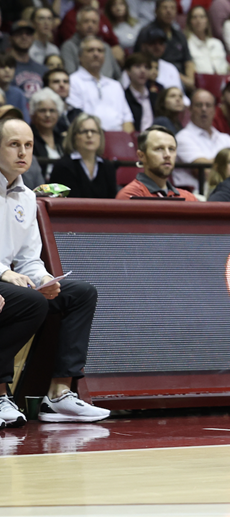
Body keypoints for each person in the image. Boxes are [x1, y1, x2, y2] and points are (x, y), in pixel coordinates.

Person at [0, 116, 107, 426]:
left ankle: (59, 395)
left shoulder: (28, 197)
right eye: (14, 145)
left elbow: (29, 259)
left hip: (13, 282)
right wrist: (5, 274)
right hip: (5, 282)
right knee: (29, 301)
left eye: (28, 146)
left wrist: (45, 280)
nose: (22, 152)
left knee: (80, 293)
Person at [67, 36, 133, 133]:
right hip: (89, 137)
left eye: (100, 51)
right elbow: (76, 119)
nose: (96, 54)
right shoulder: (72, 81)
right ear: (79, 56)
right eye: (90, 50)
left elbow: (127, 120)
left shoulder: (115, 85)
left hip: (117, 139)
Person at [176, 89, 230, 189]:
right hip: (196, 196)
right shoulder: (182, 138)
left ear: (214, 110)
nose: (204, 109)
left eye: (208, 105)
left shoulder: (225, 138)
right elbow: (206, 172)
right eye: (199, 105)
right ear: (190, 109)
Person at [115, 125, 197, 200]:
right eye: (159, 149)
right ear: (141, 156)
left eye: (171, 149)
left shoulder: (188, 198)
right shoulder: (131, 196)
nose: (167, 155)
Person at [48, 113, 118, 198]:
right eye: (84, 131)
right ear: (74, 136)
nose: (89, 135)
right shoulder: (63, 166)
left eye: (93, 131)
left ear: (100, 136)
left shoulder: (108, 167)